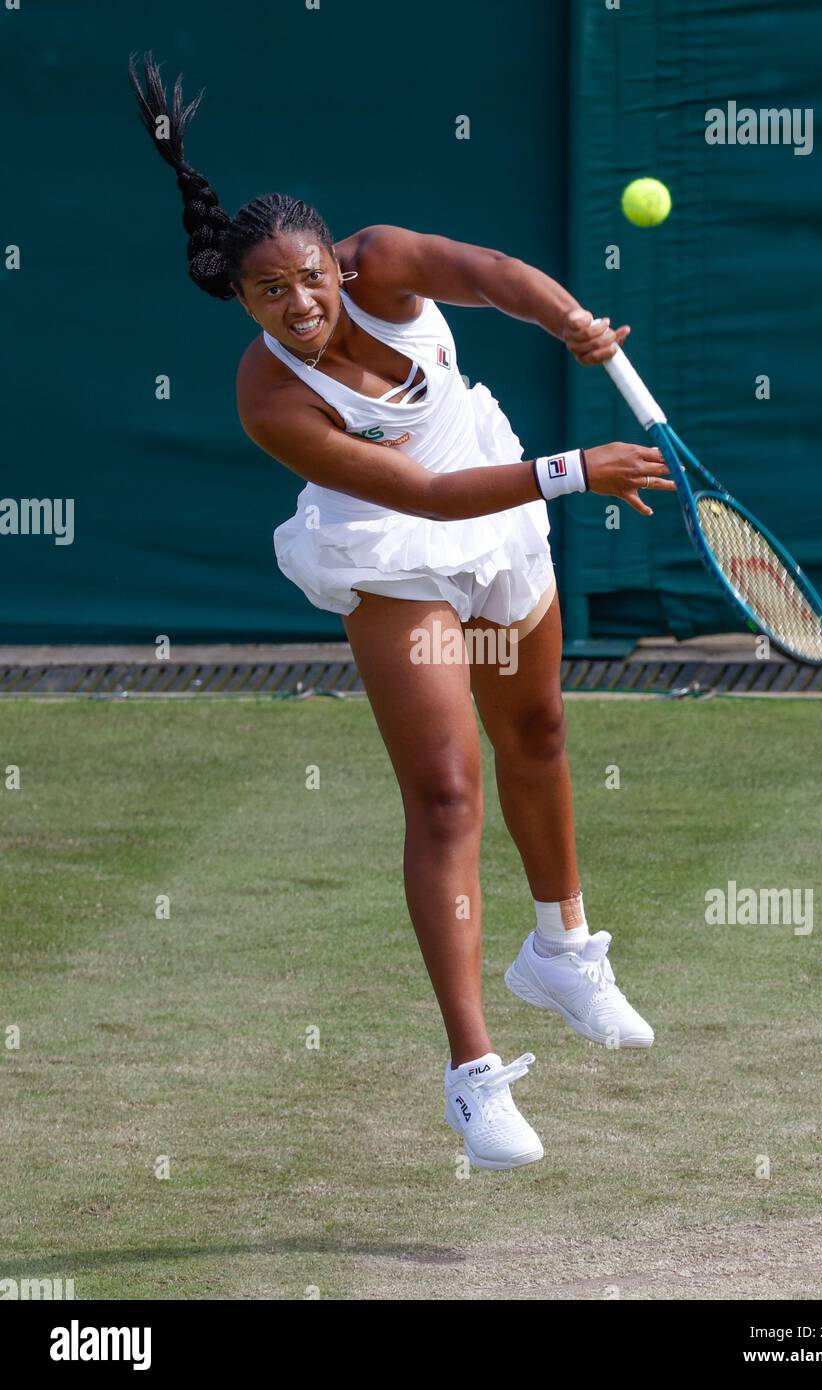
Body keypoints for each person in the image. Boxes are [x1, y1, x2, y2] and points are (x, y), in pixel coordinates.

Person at [130, 53, 675, 1170]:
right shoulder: (269, 396)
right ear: (241, 300)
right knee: (445, 793)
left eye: (308, 277)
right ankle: (473, 1077)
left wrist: (570, 320)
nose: (299, 304)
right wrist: (573, 470)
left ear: (336, 260)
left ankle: (561, 952)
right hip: (393, 551)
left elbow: (495, 274)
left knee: (539, 732)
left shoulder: (381, 260)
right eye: (269, 293)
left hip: (495, 507)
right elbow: (421, 496)